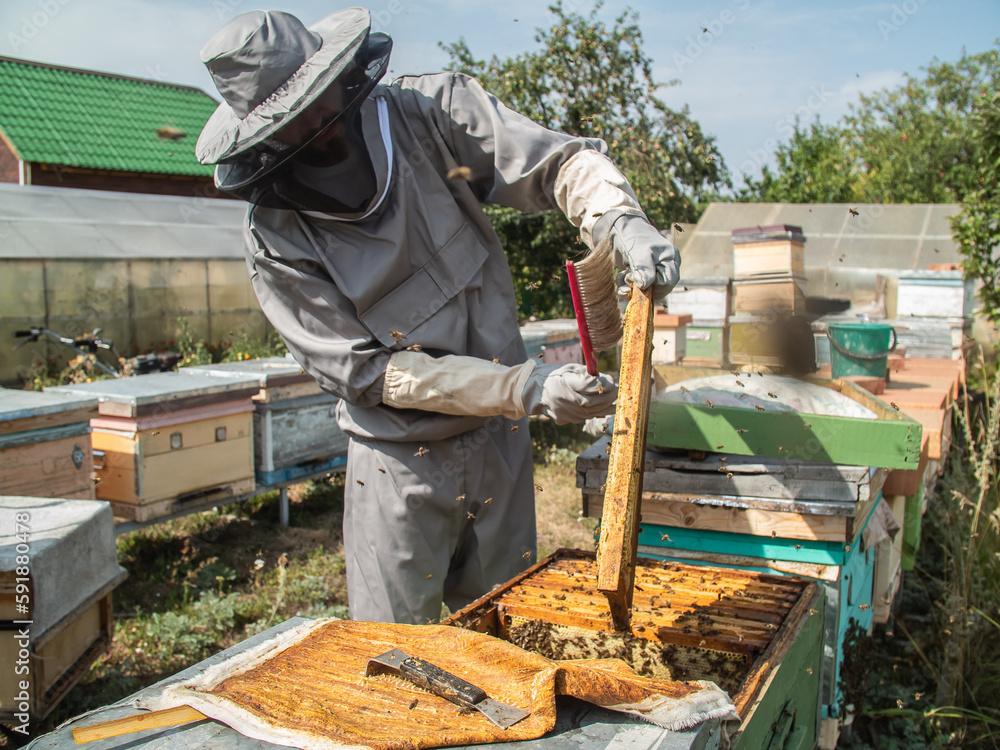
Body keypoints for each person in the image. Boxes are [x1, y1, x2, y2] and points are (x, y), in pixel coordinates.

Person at [196, 8, 680, 624]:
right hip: (400, 463)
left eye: (320, 102)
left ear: (338, 73)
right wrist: (525, 387)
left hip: (500, 445)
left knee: (512, 634)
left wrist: (619, 220)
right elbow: (369, 374)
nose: (320, 127)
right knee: (400, 661)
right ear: (262, 133)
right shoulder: (277, 238)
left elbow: (556, 162)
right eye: (296, 123)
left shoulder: (429, 114)